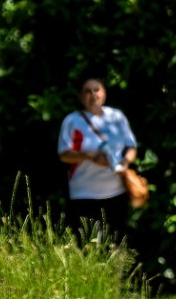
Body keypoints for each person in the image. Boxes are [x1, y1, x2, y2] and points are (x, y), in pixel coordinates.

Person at [58, 78, 138, 241]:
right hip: (84, 195)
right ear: (81, 96)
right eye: (88, 91)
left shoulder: (116, 117)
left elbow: (131, 147)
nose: (93, 95)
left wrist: (125, 162)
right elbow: (64, 154)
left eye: (97, 90)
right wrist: (90, 156)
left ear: (104, 93)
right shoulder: (72, 121)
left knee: (117, 243)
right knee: (88, 245)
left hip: (116, 193)